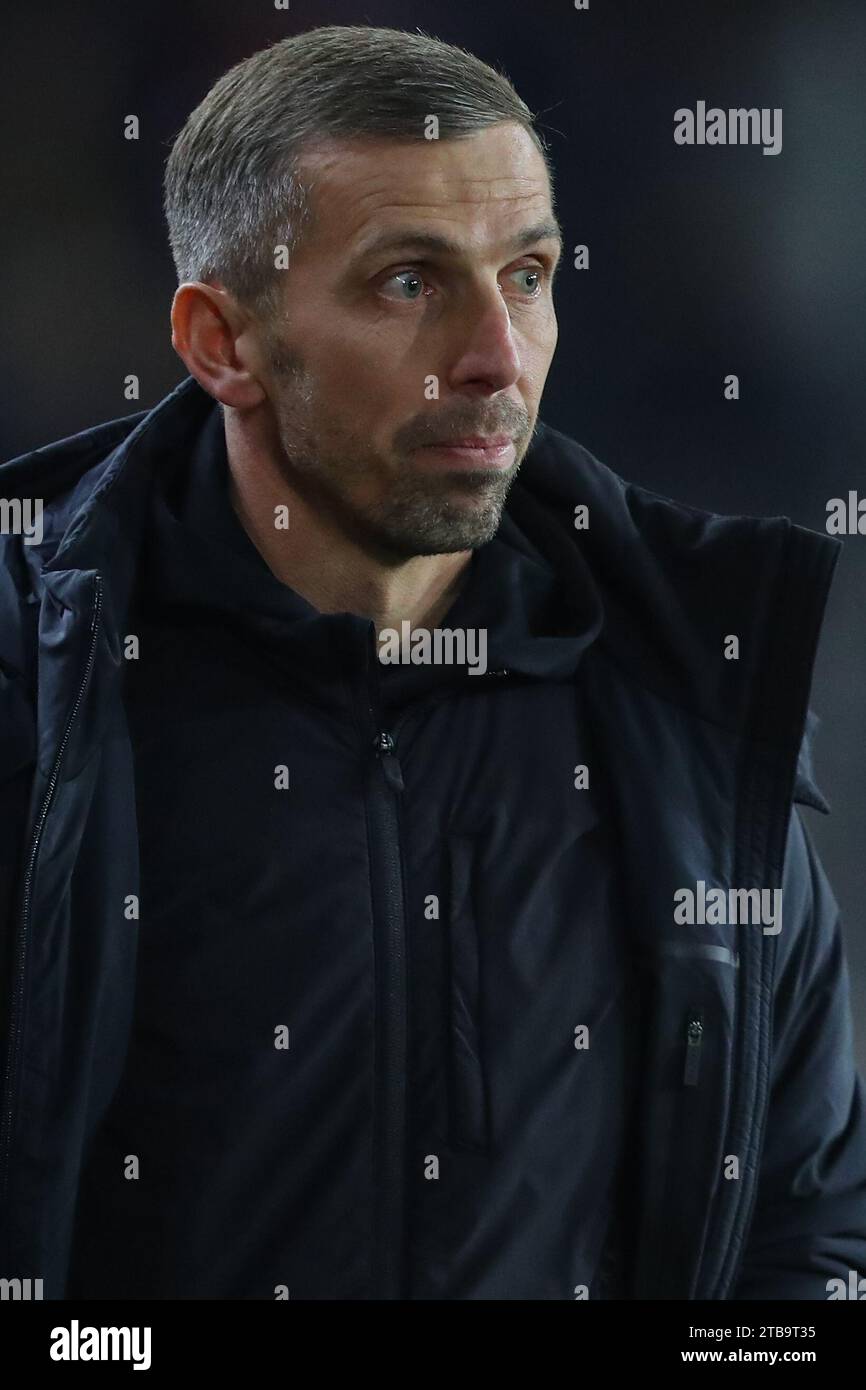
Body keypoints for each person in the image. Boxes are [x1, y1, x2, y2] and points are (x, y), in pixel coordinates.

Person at [1, 24, 864, 1301]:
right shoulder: (42, 695)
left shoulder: (685, 700)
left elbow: (803, 1237)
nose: (496, 359)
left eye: (524, 276)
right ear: (219, 343)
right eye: (408, 283)